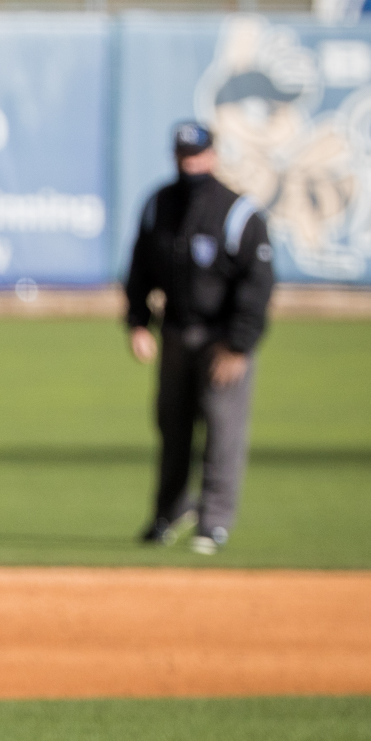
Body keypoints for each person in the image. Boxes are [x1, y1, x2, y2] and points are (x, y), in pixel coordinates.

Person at [123, 121, 276, 555]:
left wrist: (239, 345)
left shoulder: (238, 213)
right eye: (182, 156)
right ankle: (169, 512)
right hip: (175, 333)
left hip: (221, 339)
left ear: (212, 155)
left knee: (222, 431)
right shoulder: (160, 204)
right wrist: (137, 322)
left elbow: (257, 286)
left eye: (197, 155)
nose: (190, 163)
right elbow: (139, 269)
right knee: (171, 428)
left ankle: (214, 522)